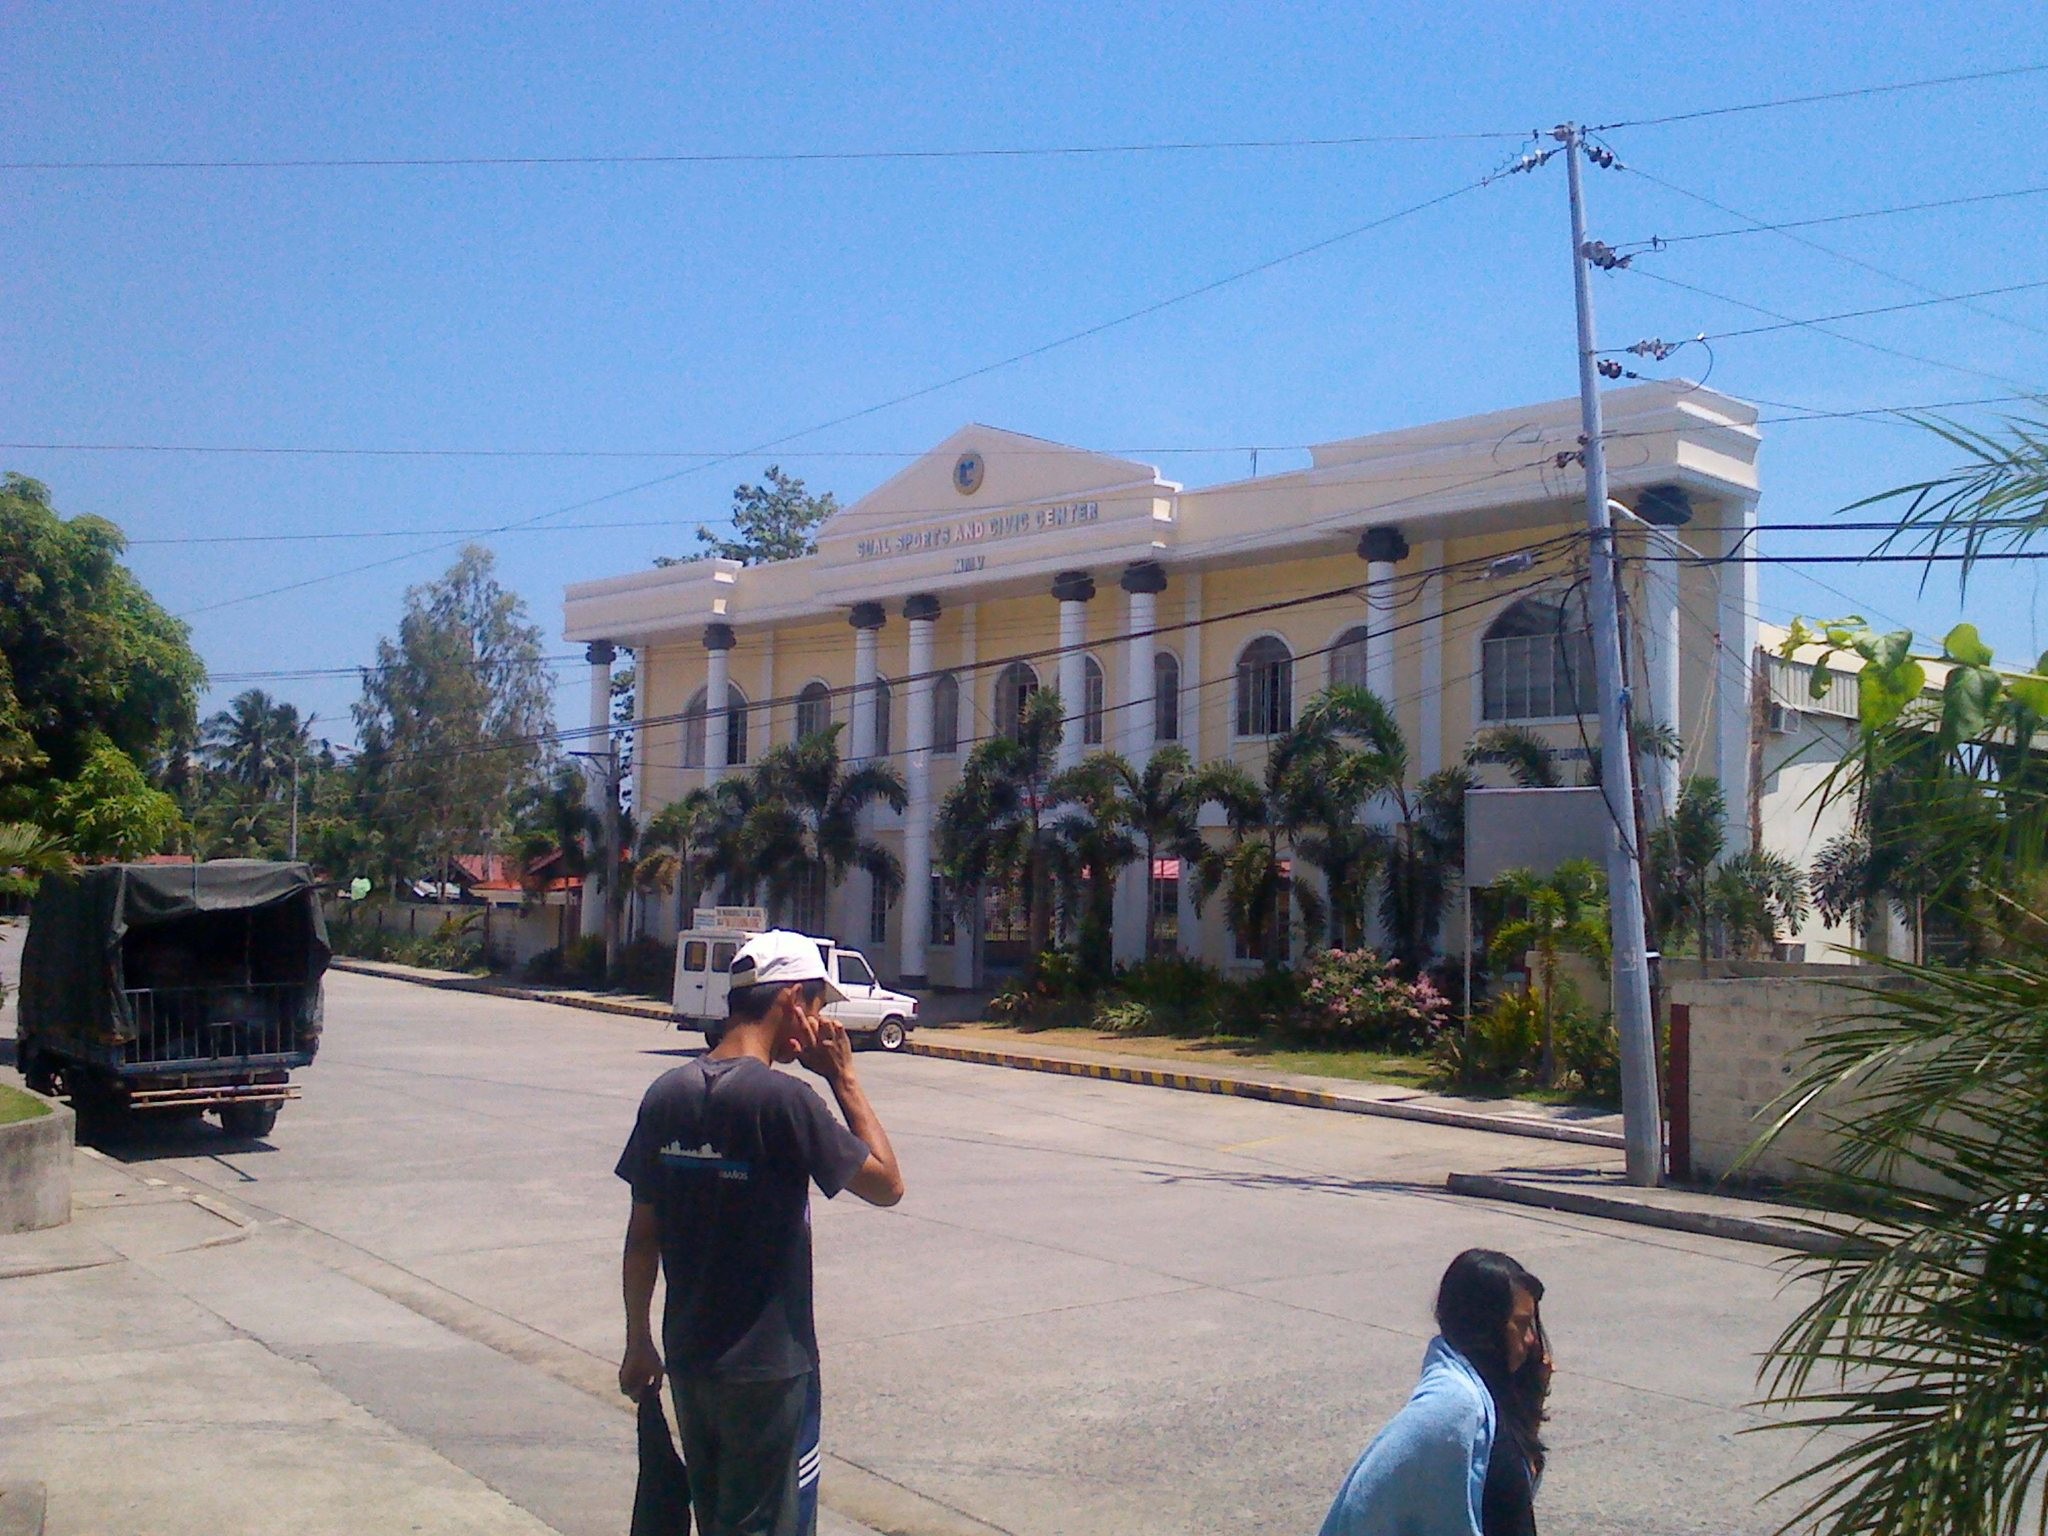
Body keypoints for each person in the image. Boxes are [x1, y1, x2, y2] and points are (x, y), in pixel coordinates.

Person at [617, 930, 905, 1536]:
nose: (823, 1026)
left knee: (717, 1515)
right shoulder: (784, 1101)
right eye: (821, 1008)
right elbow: (886, 1185)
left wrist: (638, 1339)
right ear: (792, 1000)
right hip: (769, 1374)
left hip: (690, 1360)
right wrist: (844, 1079)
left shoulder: (664, 1095)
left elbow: (643, 1234)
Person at [1318, 1249, 1551, 1536]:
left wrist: (1531, 1402)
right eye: (1522, 1324)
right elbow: (1364, 1504)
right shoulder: (1453, 1403)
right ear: (1486, 1322)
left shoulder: (1487, 1395)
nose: (1531, 1340)